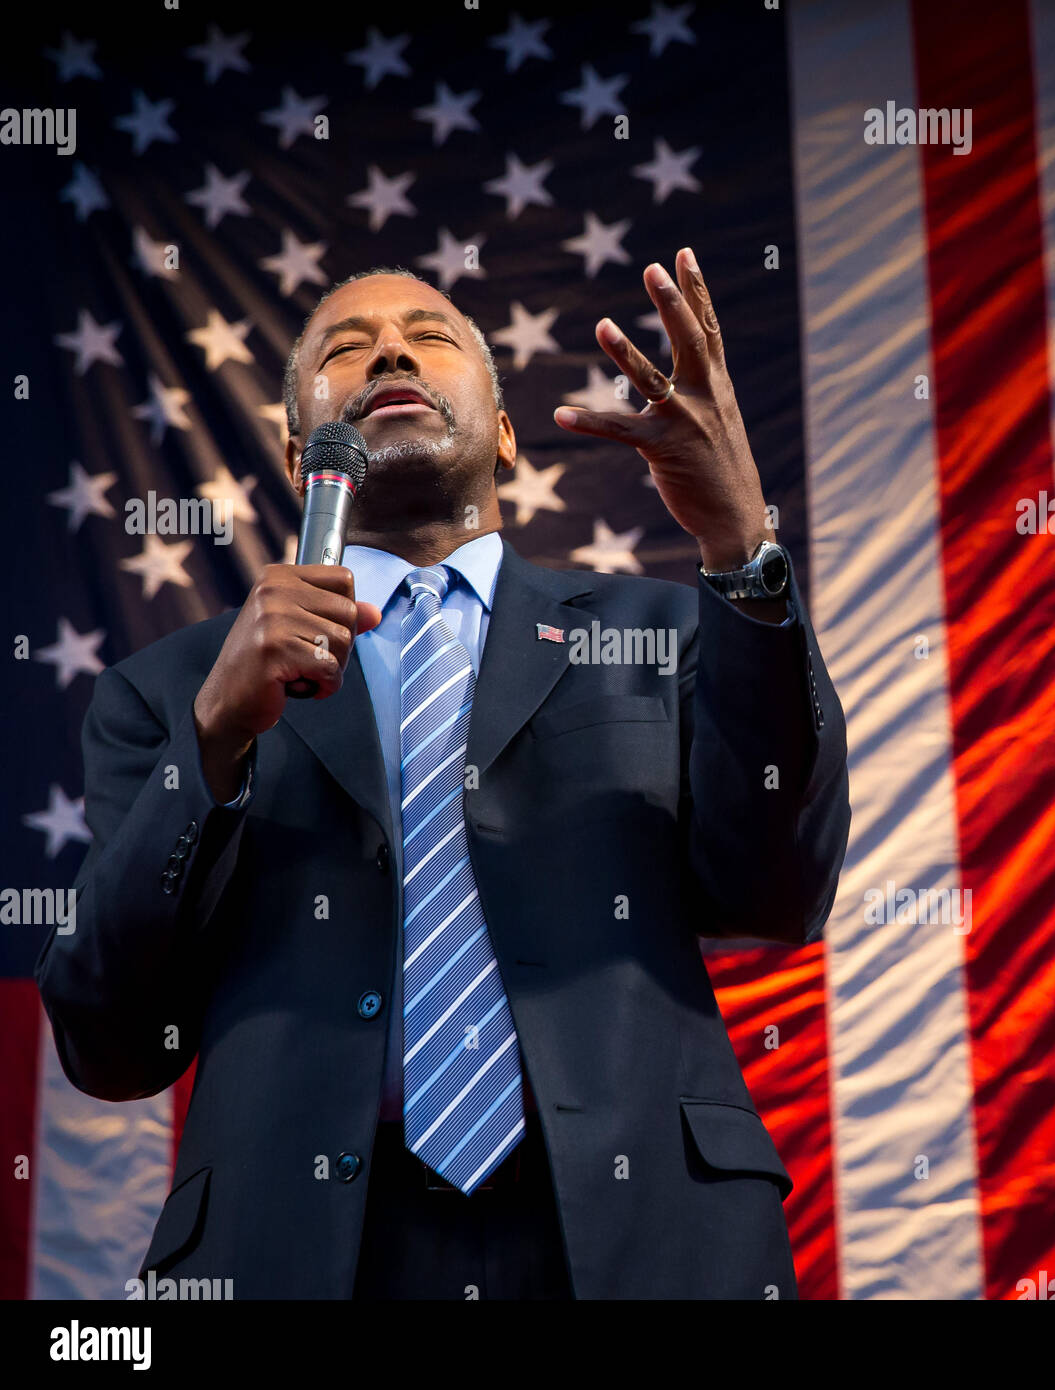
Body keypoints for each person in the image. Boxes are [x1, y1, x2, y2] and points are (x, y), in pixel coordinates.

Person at [36, 252, 850, 1299]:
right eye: (344, 346)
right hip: (297, 1250)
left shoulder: (665, 633)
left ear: (504, 435)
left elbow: (783, 886)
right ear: (300, 457)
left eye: (428, 335)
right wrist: (212, 743)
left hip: (639, 1237)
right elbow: (108, 1038)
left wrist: (743, 548)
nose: (386, 350)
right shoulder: (173, 692)